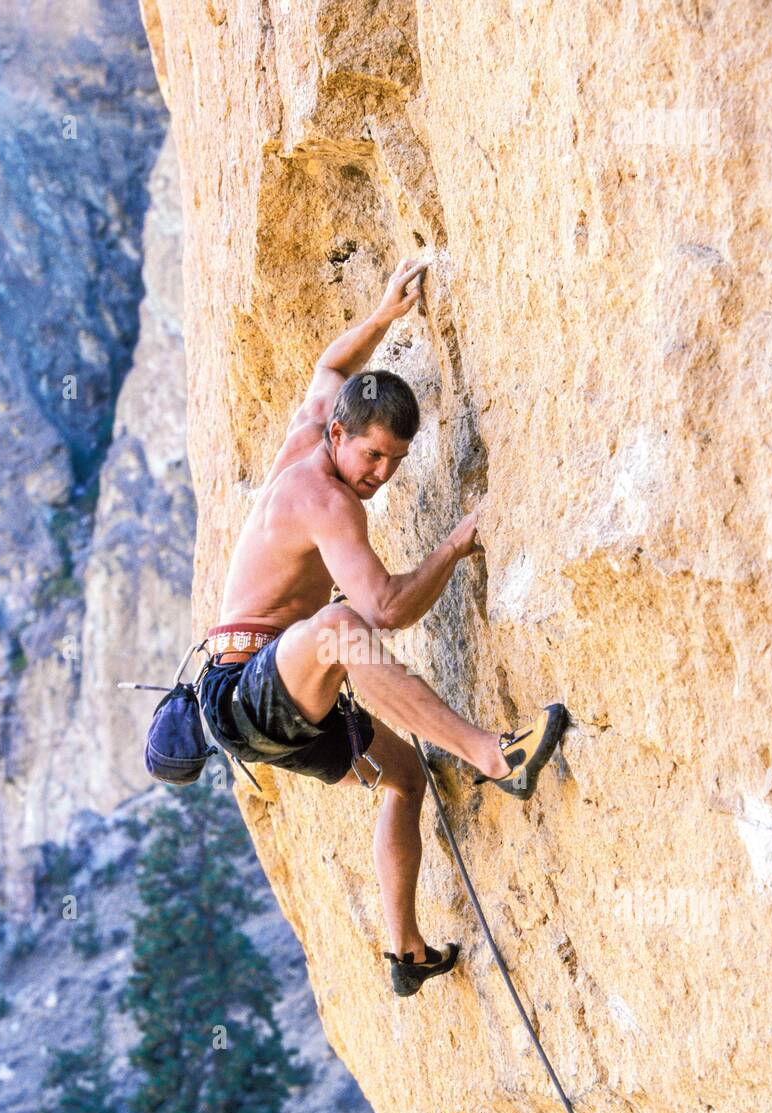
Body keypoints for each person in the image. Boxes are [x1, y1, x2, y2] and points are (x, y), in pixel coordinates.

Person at [200, 257, 569, 997]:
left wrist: (382, 316)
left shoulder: (314, 427)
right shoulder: (321, 498)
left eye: (394, 461)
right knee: (340, 624)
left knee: (402, 780)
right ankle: (494, 758)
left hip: (281, 699)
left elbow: (330, 362)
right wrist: (455, 544)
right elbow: (385, 611)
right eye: (371, 455)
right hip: (246, 690)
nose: (379, 474)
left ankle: (405, 952)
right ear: (339, 436)